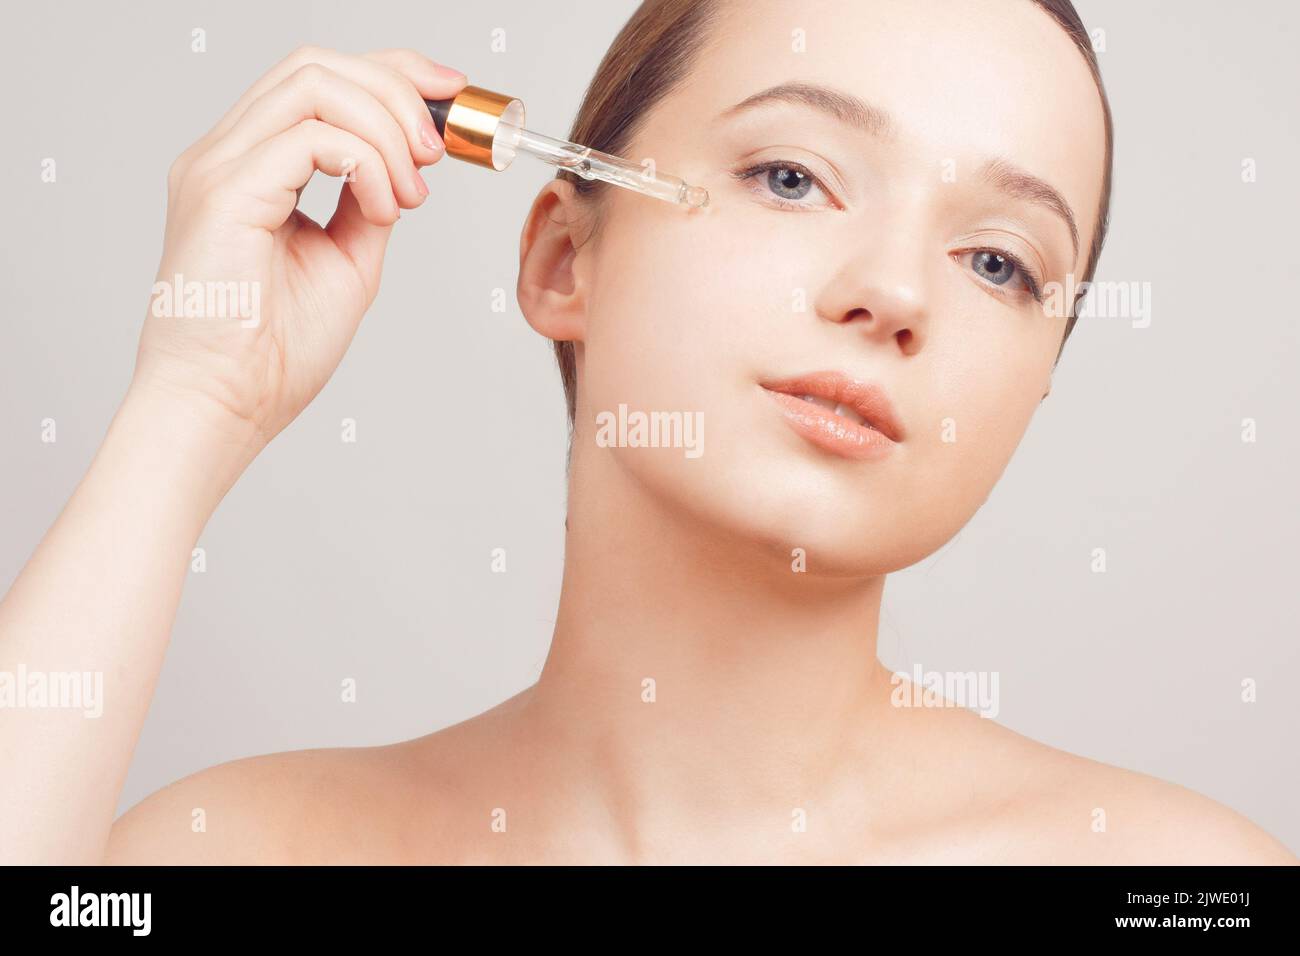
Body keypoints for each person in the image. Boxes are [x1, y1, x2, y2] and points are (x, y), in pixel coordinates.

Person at [1, 0, 1294, 864]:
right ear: (567, 255)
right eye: (792, 176)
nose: (895, 293)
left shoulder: (1174, 882)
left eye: (1000, 264)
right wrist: (191, 402)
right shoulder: (235, 850)